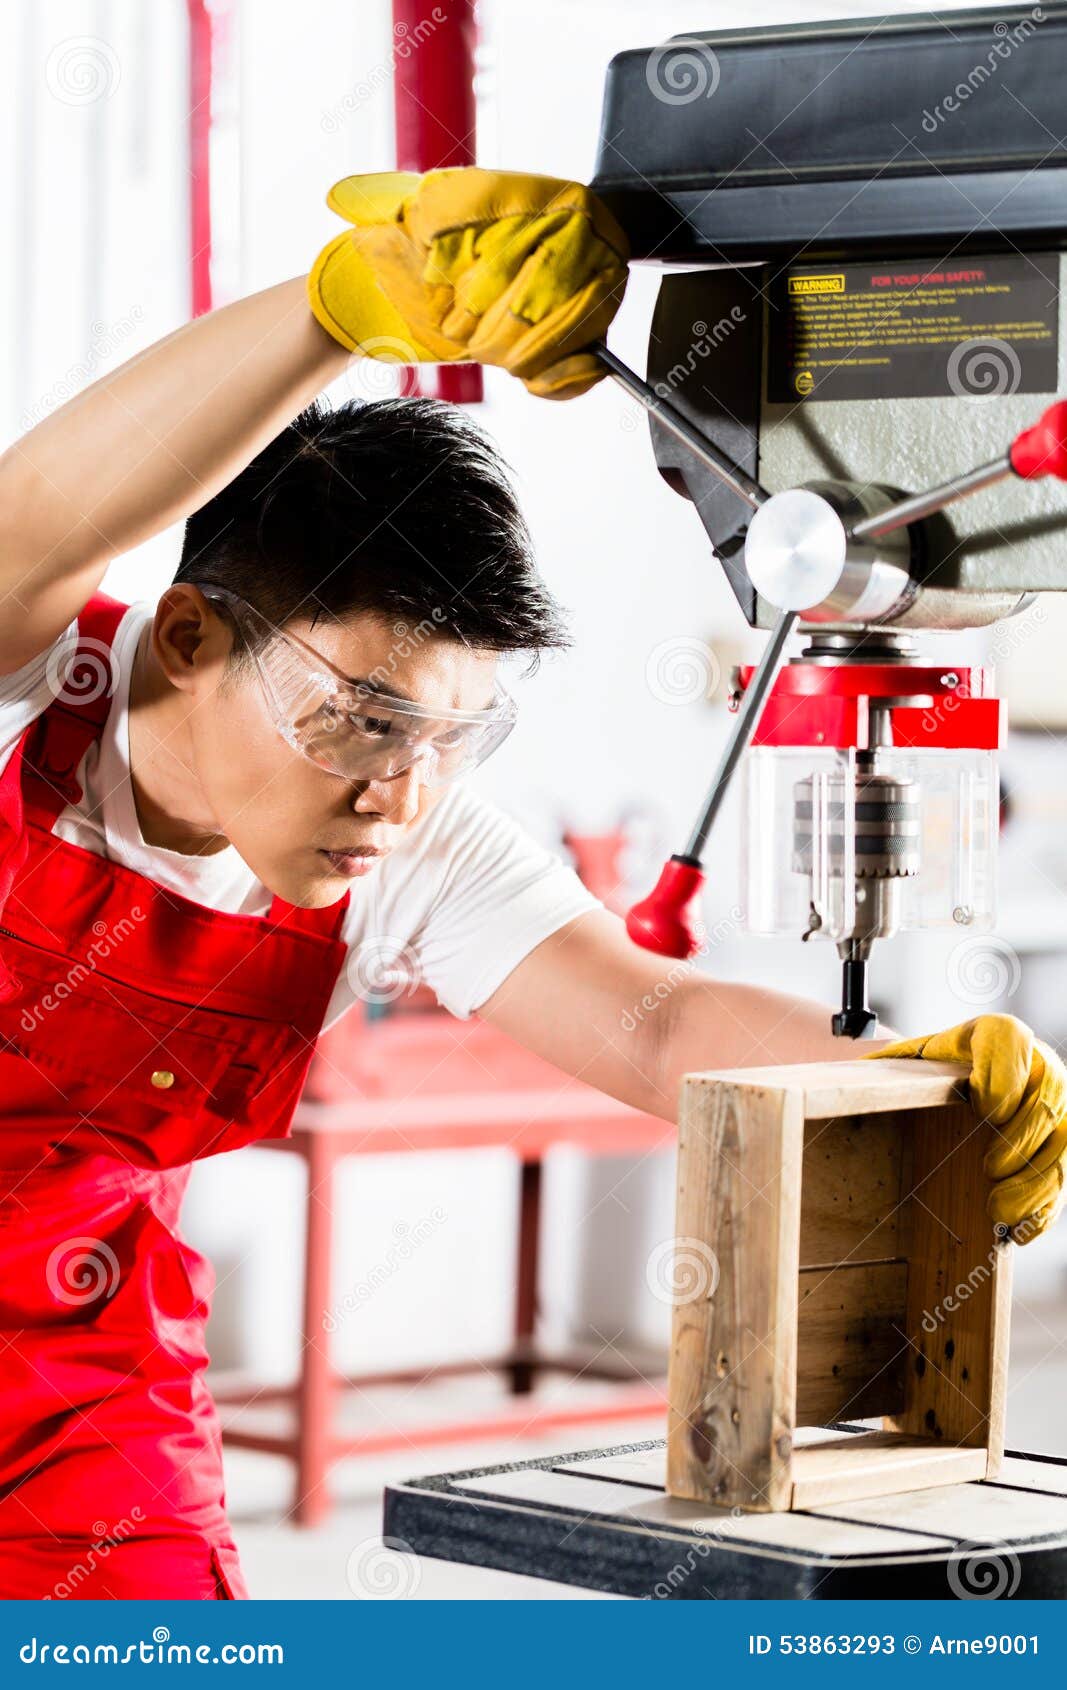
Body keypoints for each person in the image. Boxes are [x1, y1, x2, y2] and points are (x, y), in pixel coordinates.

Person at [0, 168, 1062, 1600]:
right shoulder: (30, 681)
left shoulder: (406, 835)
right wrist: (338, 312)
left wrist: (906, 1074)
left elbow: (655, 1024)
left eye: (447, 739)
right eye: (358, 718)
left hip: (75, 1373)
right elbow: (35, 511)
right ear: (188, 637)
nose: (399, 790)